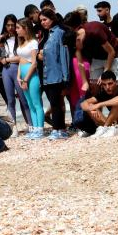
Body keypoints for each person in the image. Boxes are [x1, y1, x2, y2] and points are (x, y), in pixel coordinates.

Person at [38, 9, 71, 139]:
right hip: (47, 76)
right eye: (41, 20)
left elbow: (64, 56)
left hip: (57, 76)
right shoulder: (48, 35)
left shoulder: (59, 33)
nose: (43, 22)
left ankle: (59, 129)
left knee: (57, 104)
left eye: (45, 19)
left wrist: (65, 77)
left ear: (52, 19)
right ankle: (58, 128)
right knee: (54, 103)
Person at [0, 14, 31, 133]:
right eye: (8, 25)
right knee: (10, 100)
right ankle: (13, 127)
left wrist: (7, 59)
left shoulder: (20, 38)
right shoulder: (4, 39)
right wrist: (3, 34)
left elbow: (21, 57)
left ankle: (31, 124)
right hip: (6, 70)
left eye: (12, 25)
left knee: (23, 98)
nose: (10, 27)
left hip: (17, 68)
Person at [80, 72, 118, 138]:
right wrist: (91, 109)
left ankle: (104, 129)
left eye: (110, 83)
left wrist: (99, 105)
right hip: (114, 124)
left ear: (116, 82)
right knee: (91, 106)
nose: (107, 87)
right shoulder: (104, 93)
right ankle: (107, 129)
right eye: (104, 85)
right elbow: (83, 103)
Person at [66, 11, 118, 87]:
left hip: (112, 55)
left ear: (78, 40)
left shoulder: (95, 31)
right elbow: (80, 63)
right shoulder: (73, 39)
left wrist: (104, 74)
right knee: (94, 85)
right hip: (96, 57)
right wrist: (85, 82)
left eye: (75, 47)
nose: (76, 49)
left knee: (111, 85)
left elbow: (111, 52)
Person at [13, 19, 45, 139]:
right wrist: (18, 76)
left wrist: (26, 79)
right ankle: (35, 129)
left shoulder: (33, 42)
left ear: (25, 28)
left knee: (36, 103)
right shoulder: (21, 43)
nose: (16, 30)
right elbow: (21, 61)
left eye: (18, 28)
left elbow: (34, 63)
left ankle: (40, 130)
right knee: (30, 103)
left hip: (32, 76)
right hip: (22, 75)